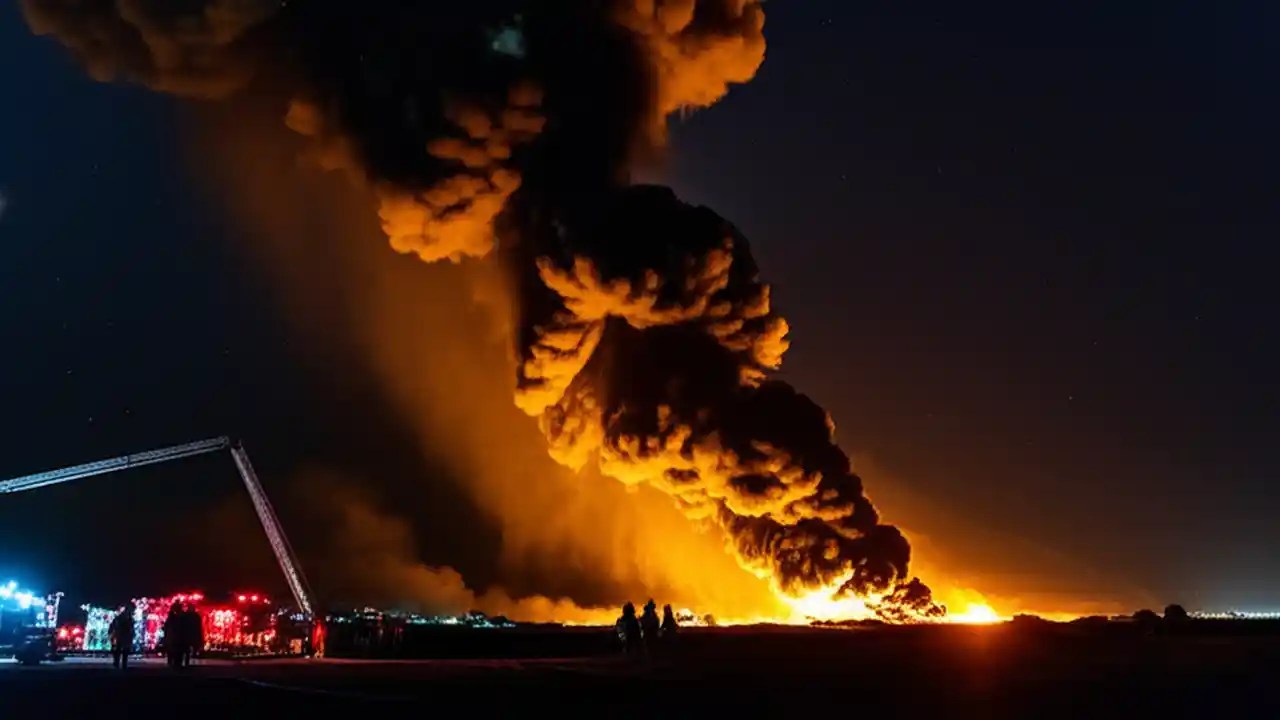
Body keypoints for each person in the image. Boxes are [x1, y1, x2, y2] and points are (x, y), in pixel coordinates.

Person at [109, 605, 134, 670]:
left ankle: (118, 663)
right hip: (122, 637)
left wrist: (112, 634)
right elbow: (131, 628)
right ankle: (122, 664)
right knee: (122, 651)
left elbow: (112, 626)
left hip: (120, 636)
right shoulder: (127, 619)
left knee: (118, 650)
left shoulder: (119, 618)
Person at [163, 602, 186, 668]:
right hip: (177, 638)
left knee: (172, 650)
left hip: (173, 638)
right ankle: (177, 663)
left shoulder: (170, 620)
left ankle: (171, 662)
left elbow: (166, 628)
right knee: (177, 651)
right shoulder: (180, 618)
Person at [181, 603, 203, 667]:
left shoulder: (185, 615)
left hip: (187, 635)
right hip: (191, 635)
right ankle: (188, 660)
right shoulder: (196, 616)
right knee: (188, 648)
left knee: (187, 648)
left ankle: (187, 660)